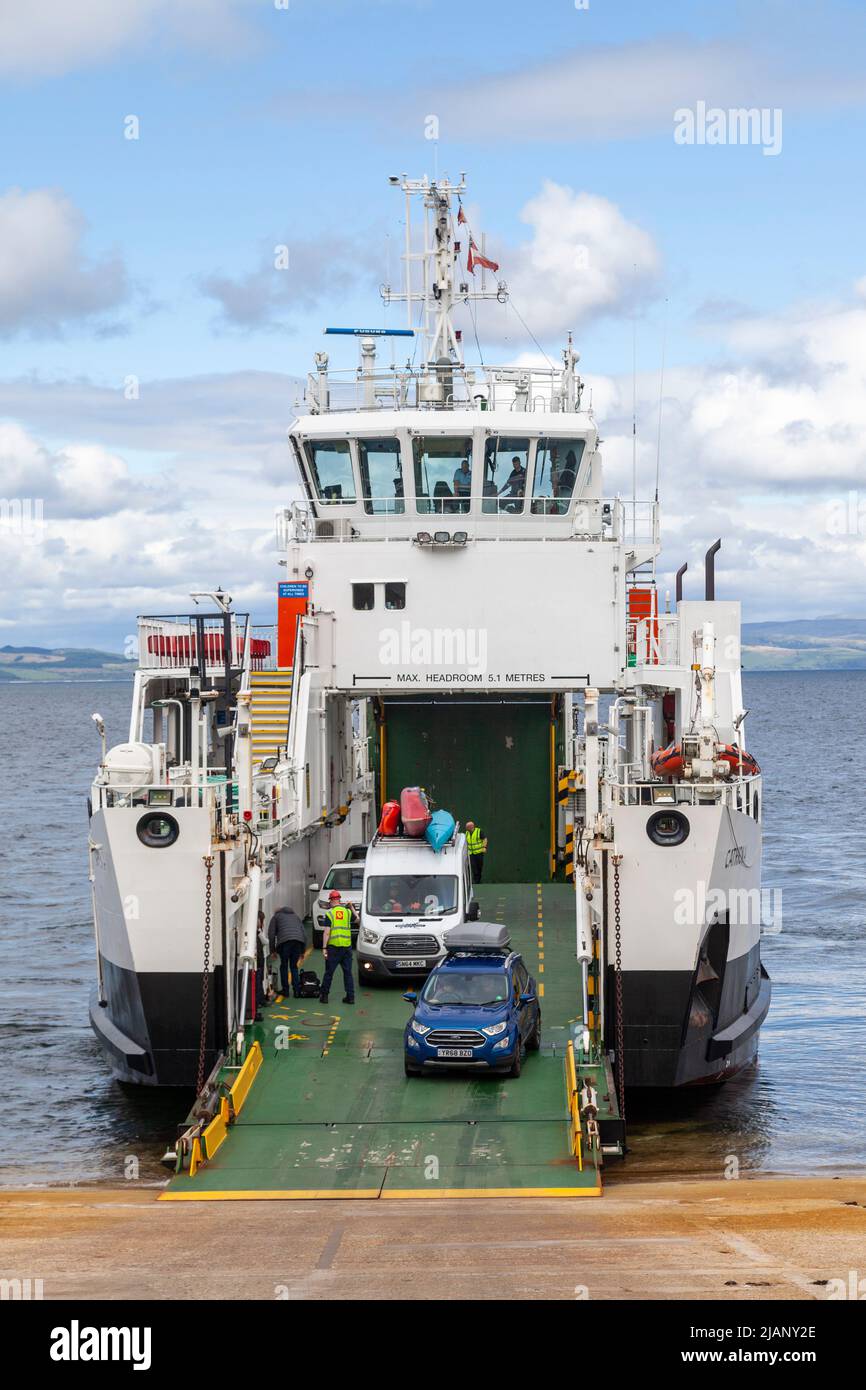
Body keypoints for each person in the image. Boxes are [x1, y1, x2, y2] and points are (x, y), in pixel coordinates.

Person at [319, 889, 358, 1005]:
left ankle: (324, 996)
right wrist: (352, 908)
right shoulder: (347, 912)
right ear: (339, 900)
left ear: (331, 901)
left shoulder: (330, 914)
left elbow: (326, 932)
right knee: (348, 973)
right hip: (346, 948)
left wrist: (324, 948)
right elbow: (358, 920)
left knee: (329, 973)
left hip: (334, 948)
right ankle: (350, 997)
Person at [267, 903, 307, 999]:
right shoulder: (296, 917)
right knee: (294, 966)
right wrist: (303, 951)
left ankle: (285, 991)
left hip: (284, 943)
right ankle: (297, 991)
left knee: (284, 965)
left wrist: (272, 951)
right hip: (298, 942)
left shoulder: (276, 917)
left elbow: (271, 934)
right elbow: (304, 934)